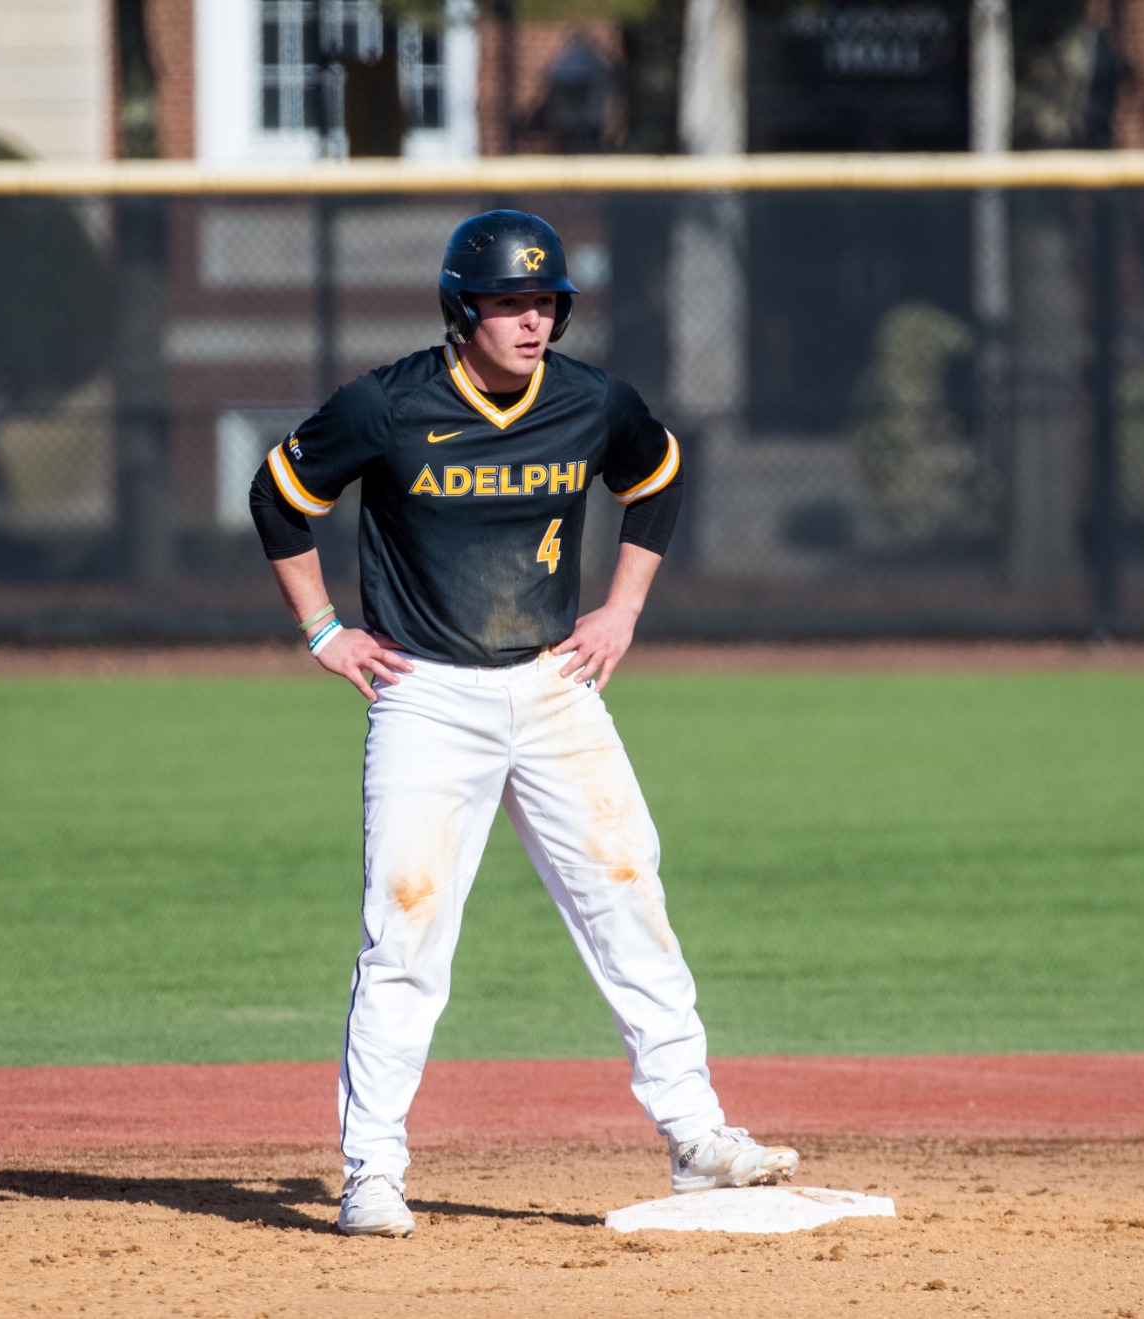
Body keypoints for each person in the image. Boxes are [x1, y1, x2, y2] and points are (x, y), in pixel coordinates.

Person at [248, 210, 798, 1239]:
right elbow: (279, 497)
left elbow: (656, 477)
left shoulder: (589, 402)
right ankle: (370, 1168)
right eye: (508, 302)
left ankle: (694, 1134)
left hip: (551, 688)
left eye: (543, 301)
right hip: (425, 695)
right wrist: (321, 627)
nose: (532, 320)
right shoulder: (387, 404)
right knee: (404, 929)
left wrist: (624, 606)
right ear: (462, 311)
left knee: (629, 892)